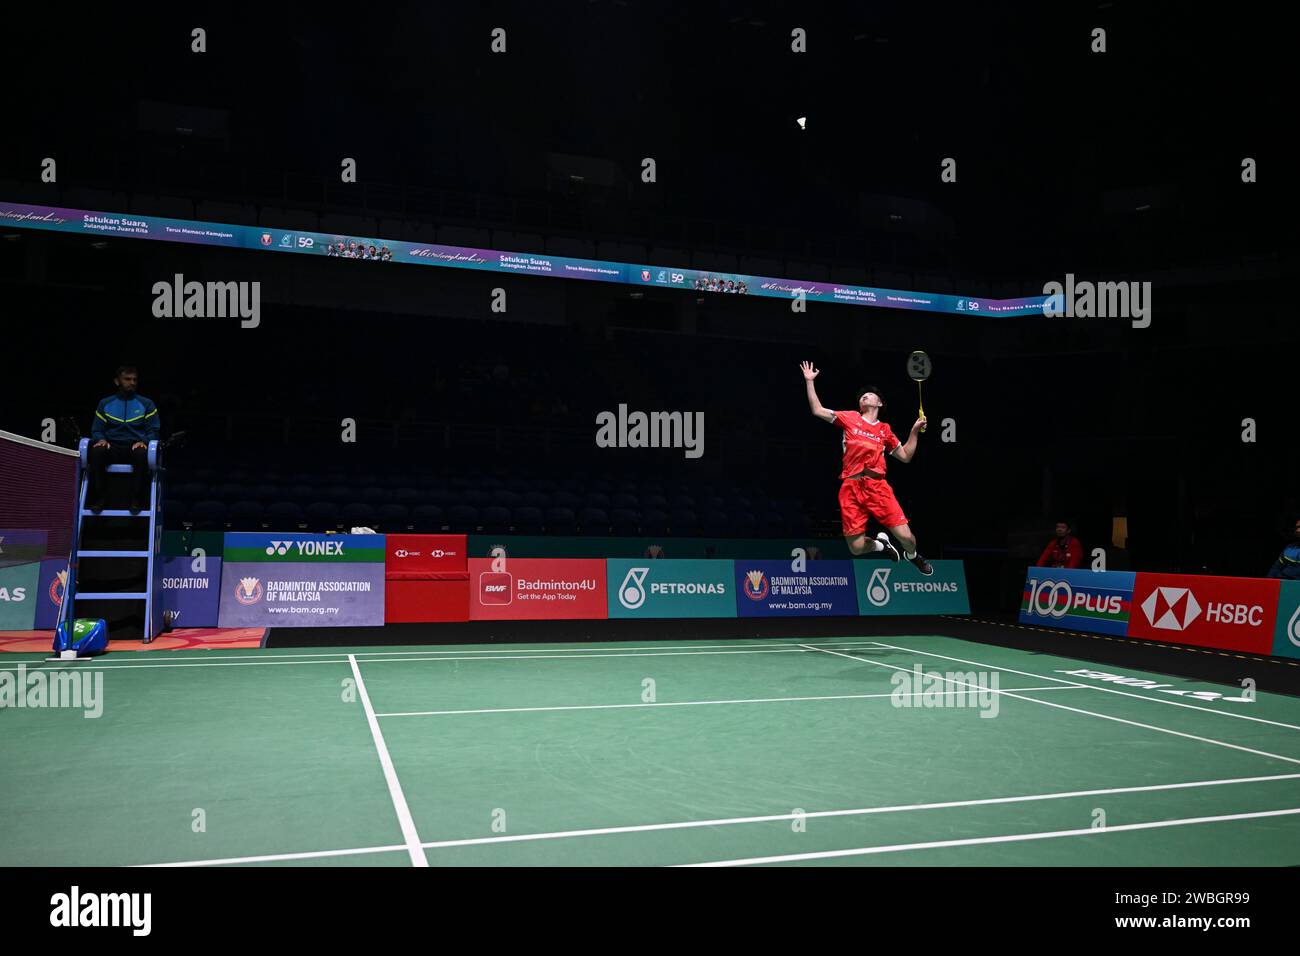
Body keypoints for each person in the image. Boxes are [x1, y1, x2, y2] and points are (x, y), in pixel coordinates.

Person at [800, 361, 932, 574]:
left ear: (879, 403)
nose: (864, 396)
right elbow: (817, 410)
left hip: (878, 488)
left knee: (907, 538)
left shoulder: (884, 430)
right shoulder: (850, 418)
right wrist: (809, 381)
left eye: (869, 395)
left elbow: (906, 456)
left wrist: (915, 430)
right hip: (851, 488)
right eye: (862, 395)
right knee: (856, 548)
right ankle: (881, 545)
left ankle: (912, 555)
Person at [87, 366, 160, 513]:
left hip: (134, 447)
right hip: (112, 447)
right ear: (117, 381)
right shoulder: (105, 403)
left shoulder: (147, 404)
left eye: (134, 379)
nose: (132, 383)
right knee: (97, 451)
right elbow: (96, 429)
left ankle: (136, 500)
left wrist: (144, 441)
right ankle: (100, 498)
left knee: (141, 452)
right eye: (127, 379)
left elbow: (154, 430)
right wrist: (101, 439)